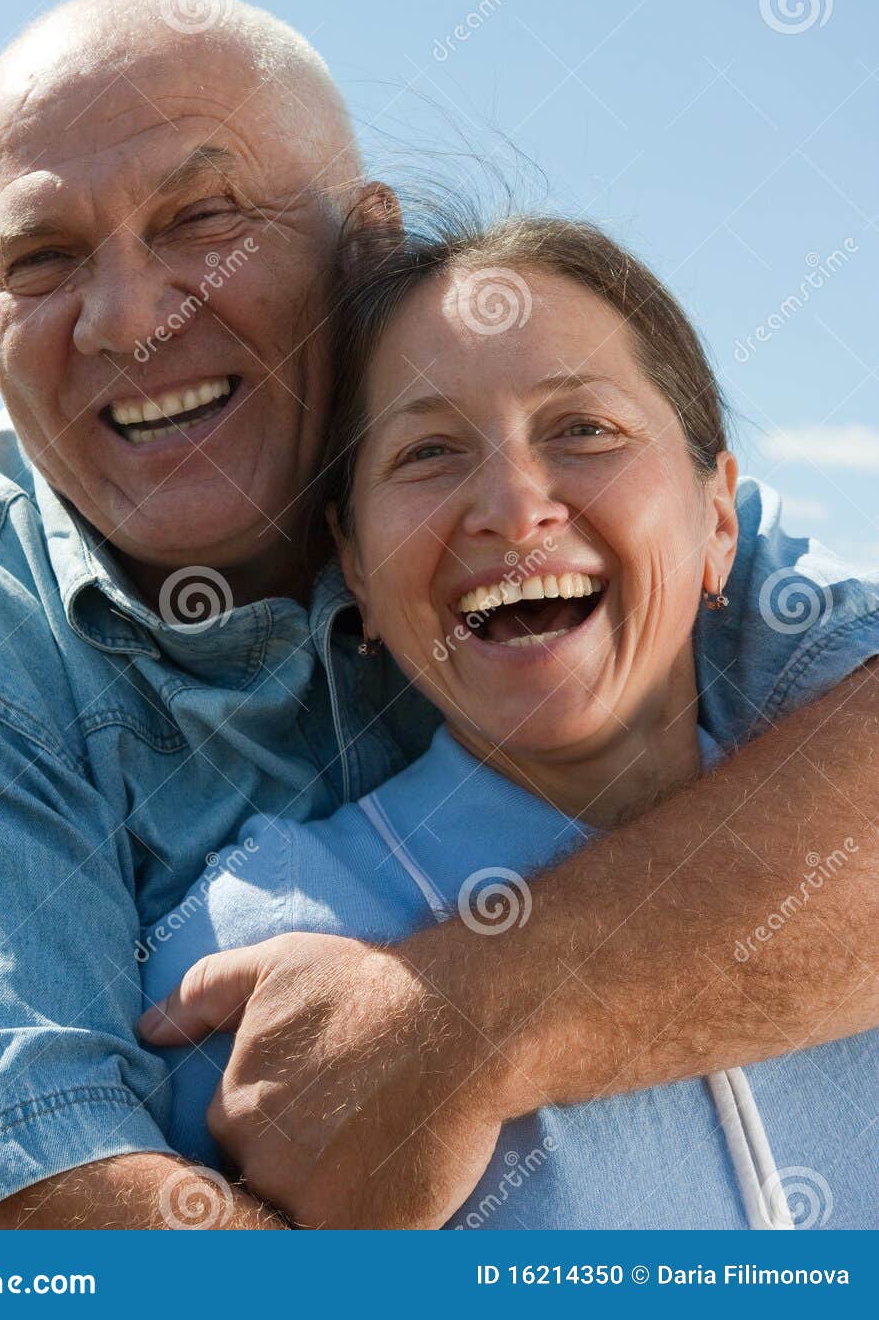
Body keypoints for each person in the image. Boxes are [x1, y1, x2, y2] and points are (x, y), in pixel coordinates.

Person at [0, 0, 876, 1232]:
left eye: (200, 219)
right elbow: (13, 1220)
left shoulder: (583, 487)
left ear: (364, 241)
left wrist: (461, 1025)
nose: (125, 317)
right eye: (39, 260)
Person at [140, 208, 879, 1230]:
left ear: (716, 523)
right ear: (352, 564)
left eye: (583, 429)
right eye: (429, 450)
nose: (510, 501)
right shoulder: (253, 945)